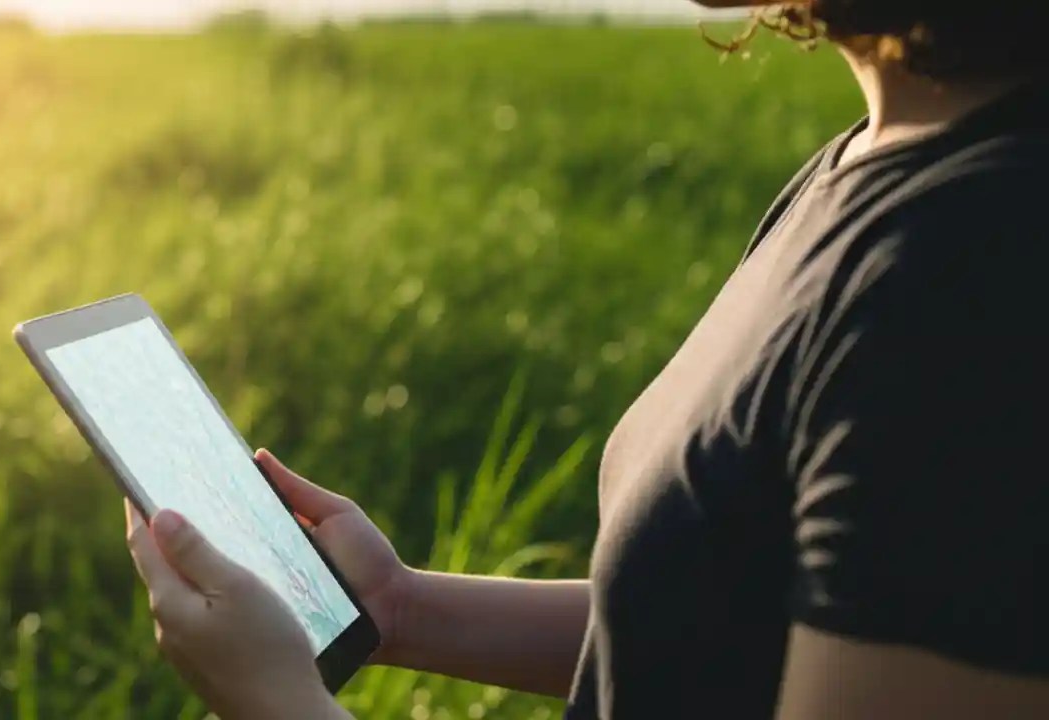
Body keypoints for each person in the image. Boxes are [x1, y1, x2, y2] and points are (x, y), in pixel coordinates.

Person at [123, 1, 1049, 717]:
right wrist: (404, 608)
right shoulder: (875, 162)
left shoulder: (978, 271)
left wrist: (279, 702)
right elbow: (729, 622)